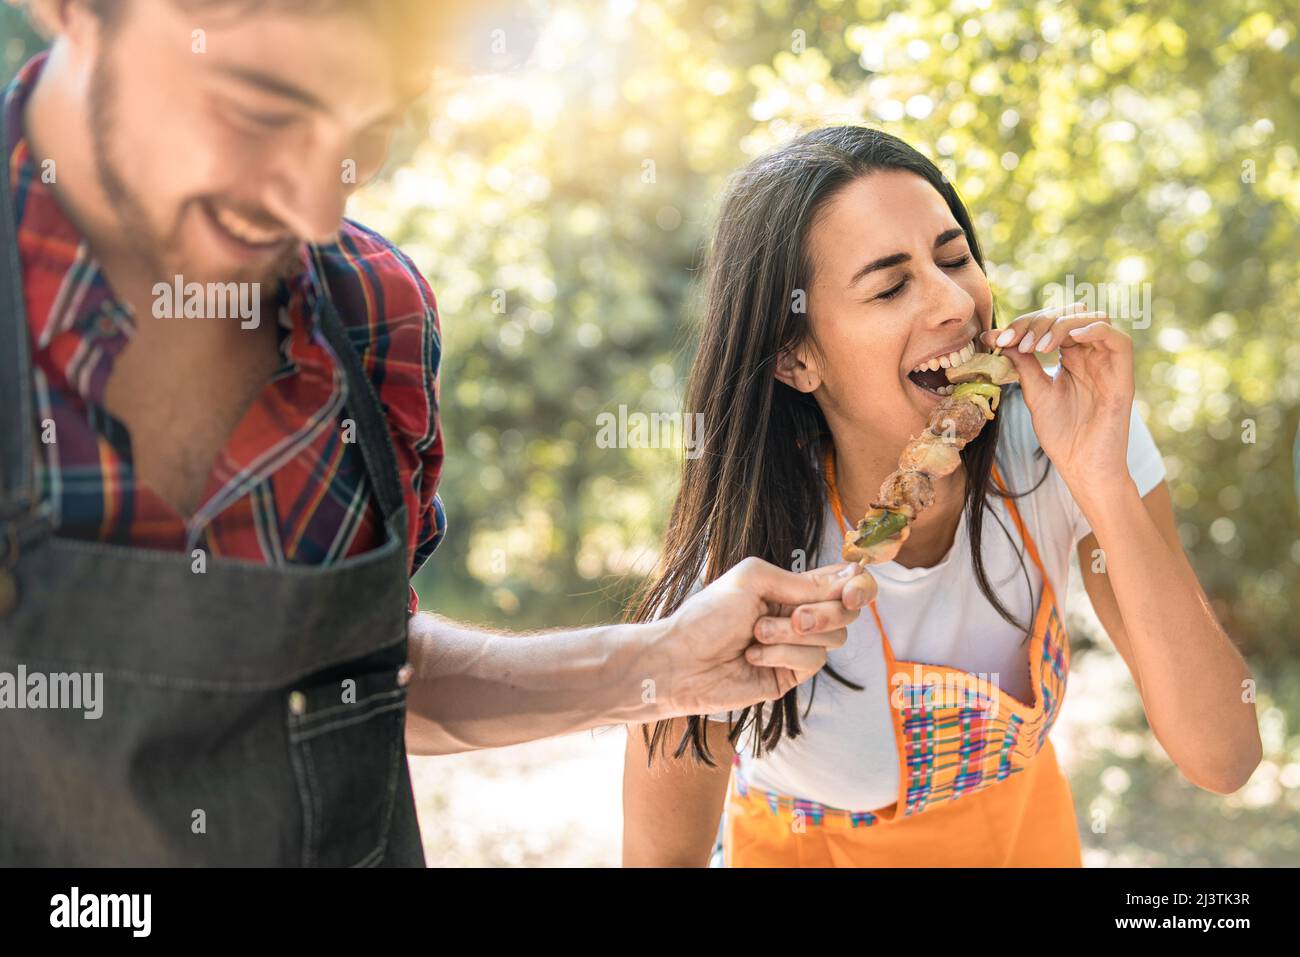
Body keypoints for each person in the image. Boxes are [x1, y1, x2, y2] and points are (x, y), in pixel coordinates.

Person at [0, 1, 876, 866]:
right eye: (260, 111)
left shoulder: (373, 310)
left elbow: (373, 674)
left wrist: (663, 663)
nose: (313, 210)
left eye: (368, 131)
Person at [621, 126, 1261, 867]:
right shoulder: (734, 572)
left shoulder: (1069, 435)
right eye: (891, 285)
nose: (956, 300)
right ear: (795, 357)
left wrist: (1103, 483)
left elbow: (1226, 757)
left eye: (954, 257)